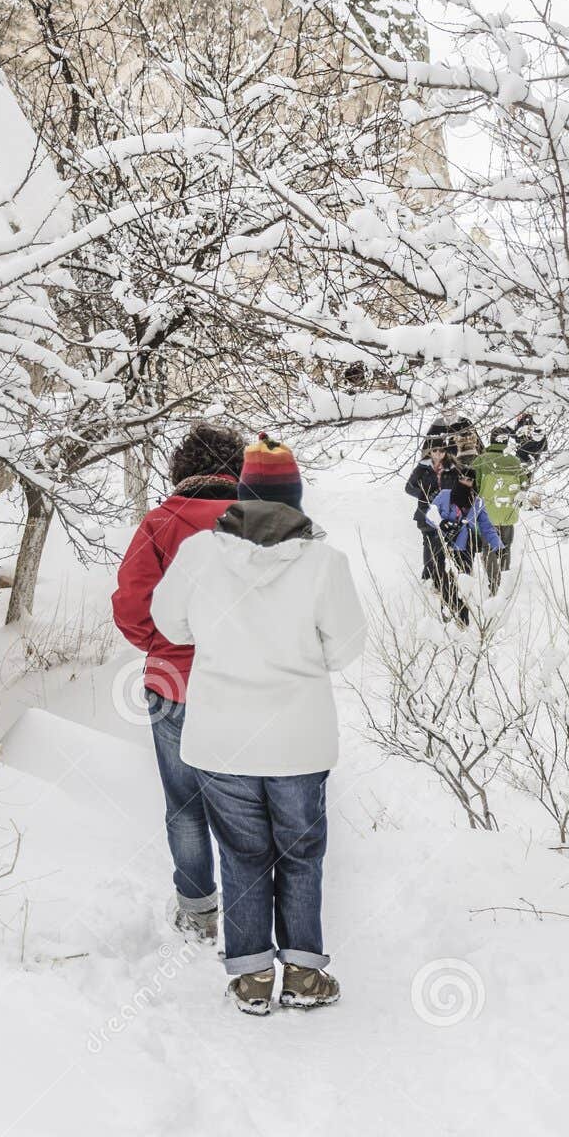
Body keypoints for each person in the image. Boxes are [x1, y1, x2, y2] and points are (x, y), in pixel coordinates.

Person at [151, 433, 366, 1016]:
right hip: (299, 739)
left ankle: (250, 979)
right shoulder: (325, 563)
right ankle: (303, 971)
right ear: (296, 498)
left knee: (243, 853)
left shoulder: (199, 554)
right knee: (300, 852)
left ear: (242, 494)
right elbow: (346, 648)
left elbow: (169, 624)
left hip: (222, 740)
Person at [111, 422, 244, 943]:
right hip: (246, 685)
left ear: (183, 468)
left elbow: (130, 605)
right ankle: (251, 910)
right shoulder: (259, 523)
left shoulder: (160, 524)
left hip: (174, 686)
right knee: (245, 802)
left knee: (185, 804)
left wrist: (162, 646)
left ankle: (197, 911)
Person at [428, 462, 502, 618]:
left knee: (464, 582)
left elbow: (487, 527)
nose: (464, 482)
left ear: (473, 483)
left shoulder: (477, 502)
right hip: (444, 544)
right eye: (462, 478)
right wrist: (441, 523)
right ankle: (447, 616)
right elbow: (429, 515)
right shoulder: (445, 495)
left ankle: (463, 618)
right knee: (446, 581)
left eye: (469, 480)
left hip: (465, 547)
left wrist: (497, 545)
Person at [470, 427, 530, 591]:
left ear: (491, 440)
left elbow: (473, 485)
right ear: (506, 441)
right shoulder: (515, 461)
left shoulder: (481, 460)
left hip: (487, 512)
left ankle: (494, 583)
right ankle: (504, 583)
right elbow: (525, 484)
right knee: (505, 547)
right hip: (508, 512)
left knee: (489, 548)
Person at [404, 419, 455, 585]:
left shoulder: (451, 468)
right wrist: (427, 495)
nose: (438, 454)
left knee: (440, 544)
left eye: (441, 451)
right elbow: (409, 488)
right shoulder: (422, 468)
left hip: (445, 514)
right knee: (430, 543)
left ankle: (437, 576)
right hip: (425, 513)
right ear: (430, 452)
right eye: (435, 451)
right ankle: (429, 576)